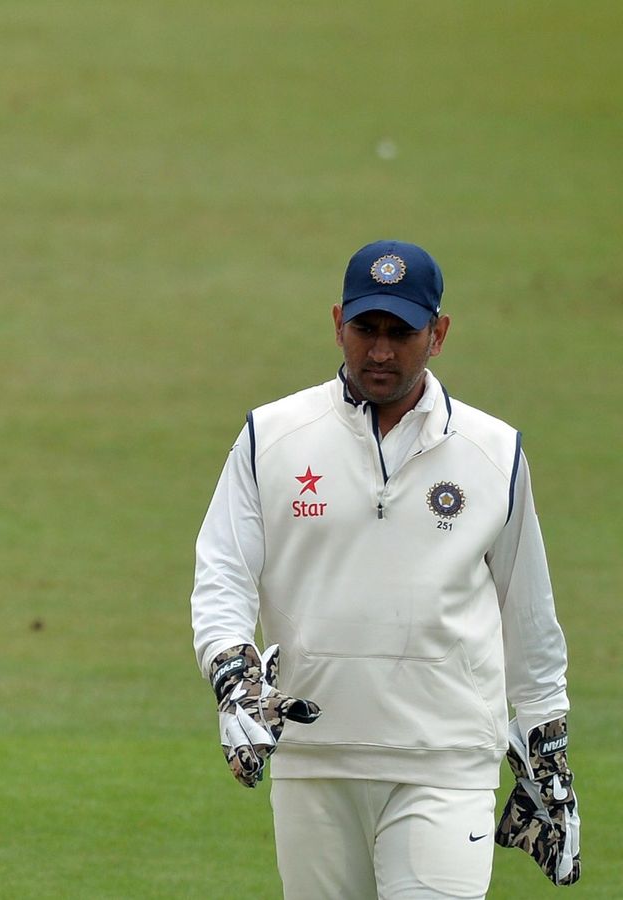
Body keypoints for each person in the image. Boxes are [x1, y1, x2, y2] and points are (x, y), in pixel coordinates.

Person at [190, 239, 580, 897]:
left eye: (401, 333)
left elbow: (528, 609)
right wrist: (233, 673)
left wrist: (547, 745)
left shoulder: (493, 452)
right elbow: (222, 572)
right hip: (315, 756)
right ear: (337, 322)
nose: (379, 350)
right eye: (365, 329)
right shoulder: (271, 436)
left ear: (439, 334)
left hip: (447, 758)